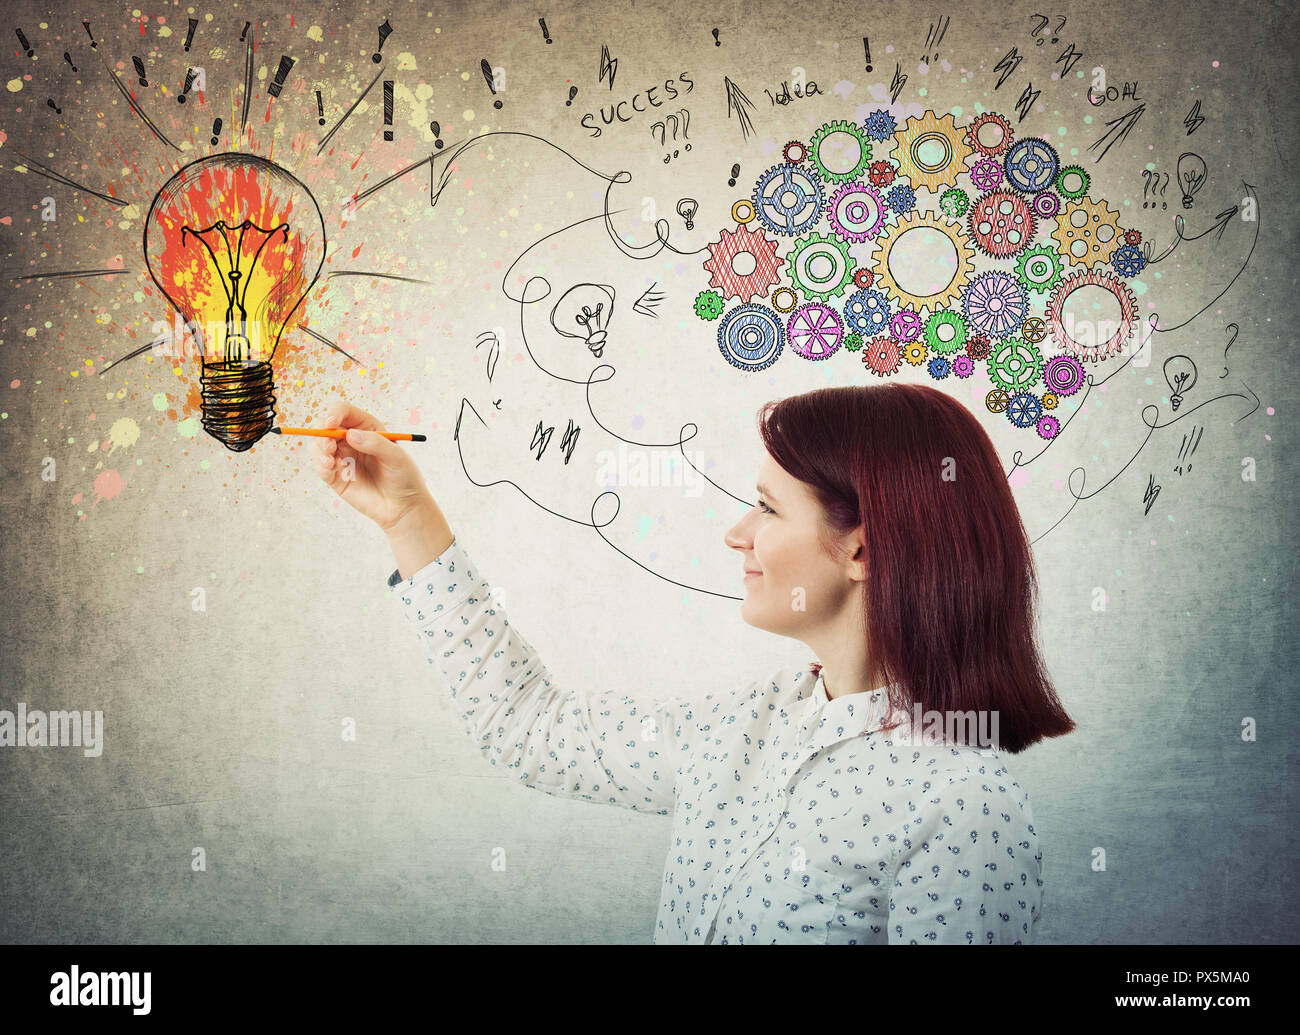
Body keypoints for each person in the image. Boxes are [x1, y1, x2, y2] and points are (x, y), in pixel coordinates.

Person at [314, 383, 1075, 944]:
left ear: (863, 549)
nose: (737, 534)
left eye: (769, 508)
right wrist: (410, 519)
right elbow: (528, 728)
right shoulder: (745, 725)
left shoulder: (967, 808)